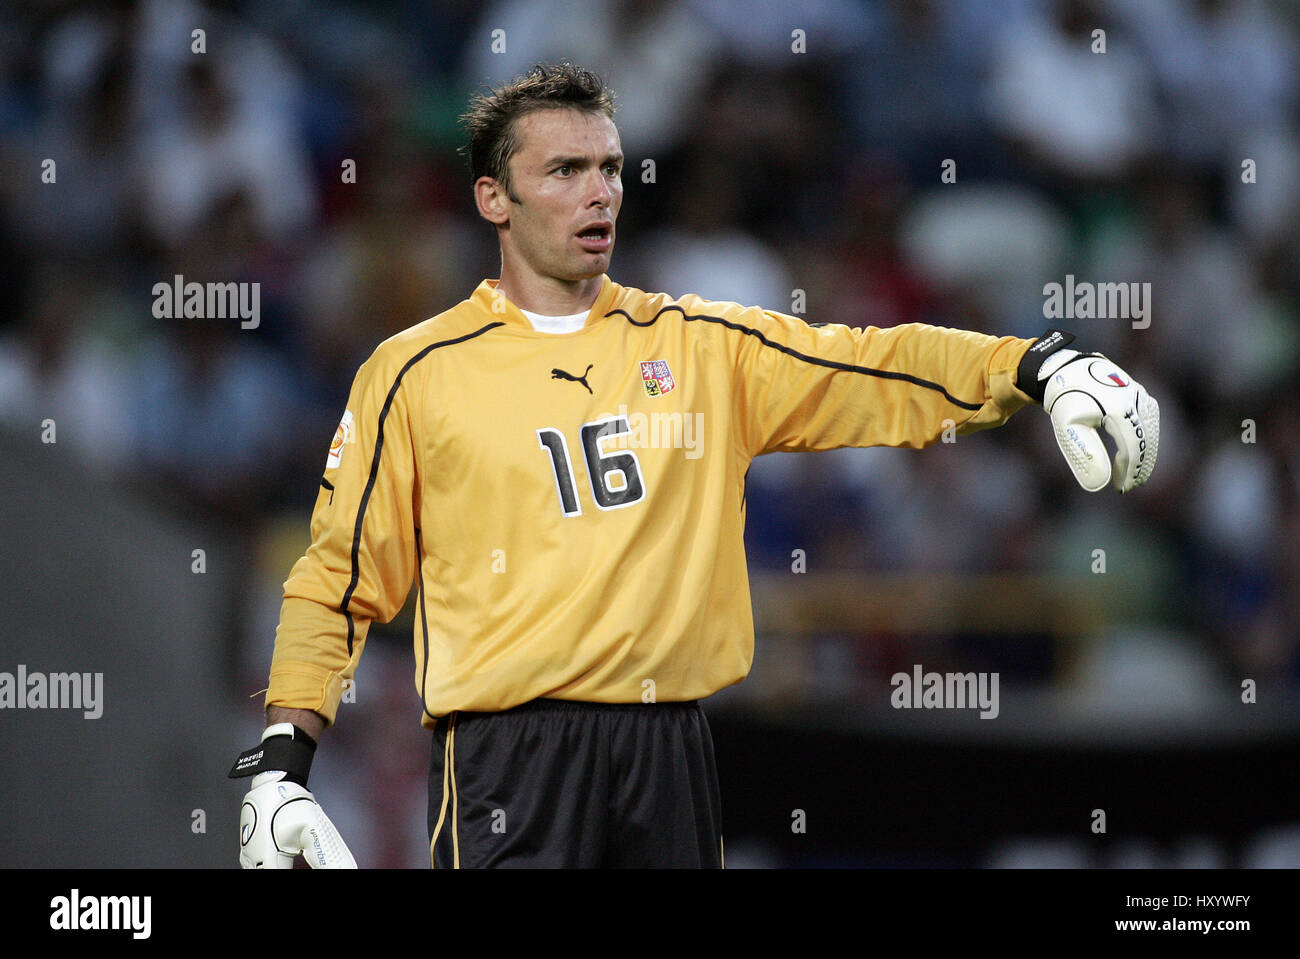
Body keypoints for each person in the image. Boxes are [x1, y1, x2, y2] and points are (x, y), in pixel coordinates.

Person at [229, 62, 1159, 868]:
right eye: (565, 171)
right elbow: (337, 578)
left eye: (610, 169)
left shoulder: (702, 347)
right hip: (505, 757)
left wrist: (1035, 364)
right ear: (493, 199)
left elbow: (870, 361)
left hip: (670, 747)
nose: (600, 194)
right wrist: (282, 759)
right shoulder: (414, 372)